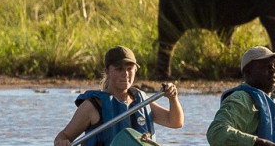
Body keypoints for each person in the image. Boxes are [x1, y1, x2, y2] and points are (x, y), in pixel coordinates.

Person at [55, 45, 183, 146]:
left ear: (135, 70)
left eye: (129, 69)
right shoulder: (93, 106)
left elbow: (175, 122)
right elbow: (62, 137)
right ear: (107, 72)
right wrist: (63, 143)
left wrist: (173, 98)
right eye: (119, 69)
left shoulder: (142, 100)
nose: (125, 74)